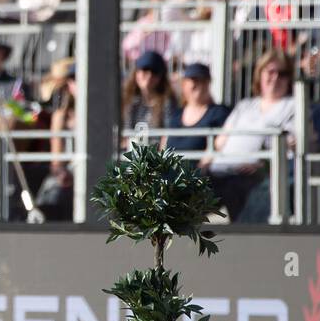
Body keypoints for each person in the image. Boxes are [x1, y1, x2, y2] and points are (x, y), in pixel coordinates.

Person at [200, 49, 297, 222]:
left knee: (239, 194)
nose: (275, 78)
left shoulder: (293, 106)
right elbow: (220, 141)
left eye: (282, 73)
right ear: (260, 74)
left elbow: (290, 144)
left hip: (255, 177)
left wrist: (262, 164)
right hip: (219, 171)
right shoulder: (245, 105)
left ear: (289, 79)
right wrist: (206, 160)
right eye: (270, 72)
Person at [166, 62, 231, 152]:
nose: (198, 85)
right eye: (193, 80)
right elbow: (164, 145)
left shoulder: (220, 113)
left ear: (208, 83)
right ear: (184, 84)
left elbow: (219, 146)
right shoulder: (175, 115)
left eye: (202, 81)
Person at [122, 51, 181, 132]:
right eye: (145, 70)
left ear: (161, 77)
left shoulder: (168, 102)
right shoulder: (128, 99)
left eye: (155, 72)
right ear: (136, 73)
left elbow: (168, 133)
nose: (149, 76)